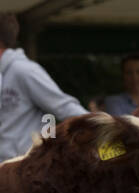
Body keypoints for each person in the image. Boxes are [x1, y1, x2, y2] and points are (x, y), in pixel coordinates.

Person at [0, 13, 88, 161]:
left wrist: (109, 132)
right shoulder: (6, 72)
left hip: (22, 173)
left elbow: (65, 107)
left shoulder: (24, 70)